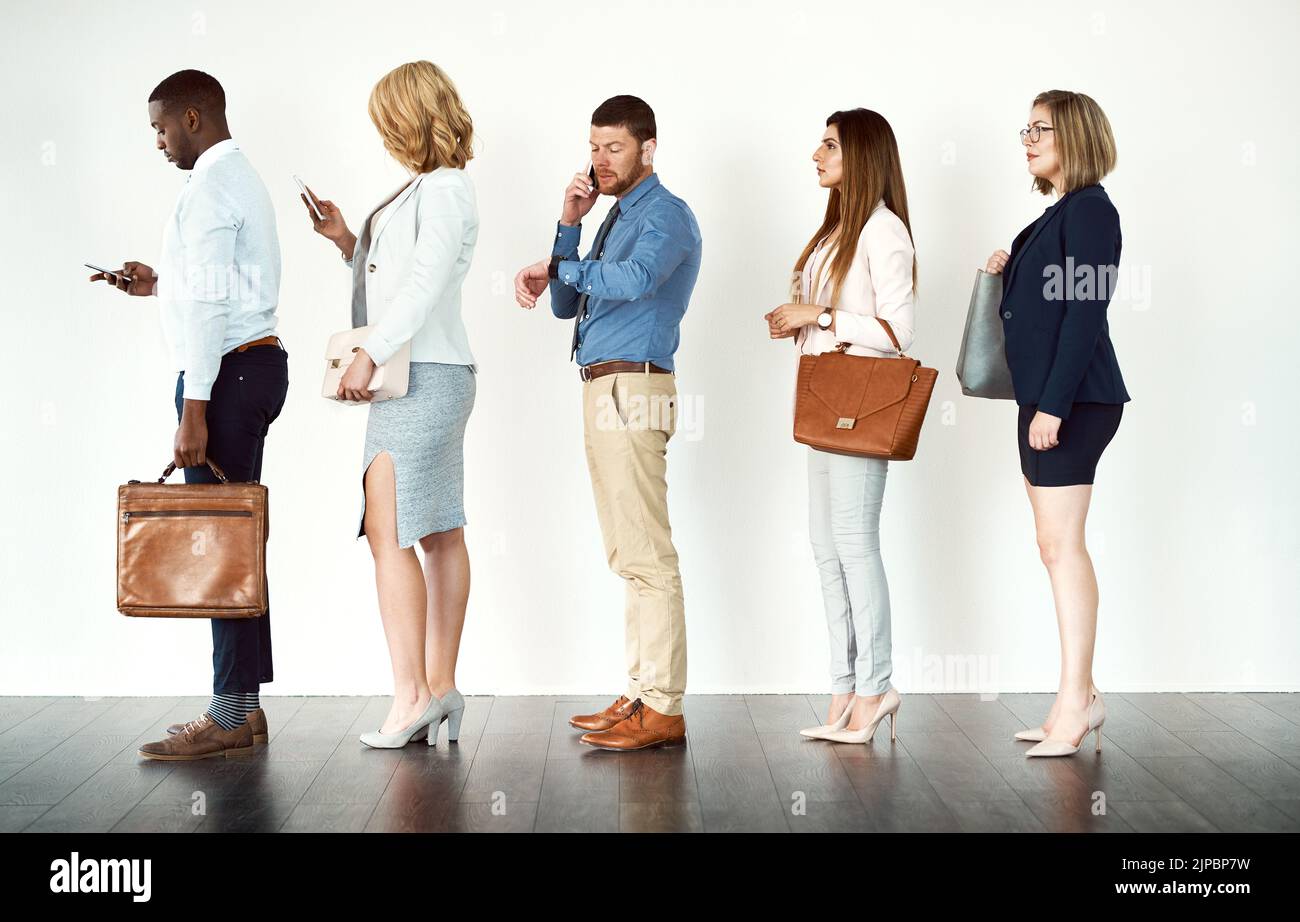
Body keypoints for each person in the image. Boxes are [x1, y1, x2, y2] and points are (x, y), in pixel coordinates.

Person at [90, 69, 288, 760]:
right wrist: (158, 284)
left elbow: (209, 310)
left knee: (216, 546)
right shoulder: (238, 180)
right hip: (250, 365)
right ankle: (244, 706)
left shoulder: (208, 189)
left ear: (194, 118)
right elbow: (214, 288)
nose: (158, 141)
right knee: (234, 541)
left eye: (161, 127)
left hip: (225, 377)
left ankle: (229, 715)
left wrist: (193, 409)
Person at [513, 95, 701, 751]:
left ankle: (664, 707)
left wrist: (563, 264)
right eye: (593, 147)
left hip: (635, 386)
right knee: (629, 554)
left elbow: (635, 278)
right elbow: (567, 303)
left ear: (648, 148)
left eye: (613, 147)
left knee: (648, 554)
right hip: (605, 387)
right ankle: (643, 690)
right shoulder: (611, 216)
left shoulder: (667, 217)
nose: (599, 160)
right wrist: (567, 227)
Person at [301, 61, 477, 748]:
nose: (384, 134)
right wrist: (348, 241)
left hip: (418, 375)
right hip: (431, 370)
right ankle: (439, 691)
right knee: (435, 532)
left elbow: (427, 279)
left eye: (388, 120)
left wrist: (371, 351)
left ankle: (410, 697)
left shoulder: (445, 188)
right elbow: (397, 274)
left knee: (389, 530)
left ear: (412, 115)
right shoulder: (426, 189)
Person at [983, 89, 1130, 757]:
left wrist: (1055, 405)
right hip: (1044, 399)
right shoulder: (1058, 214)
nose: (1028, 138)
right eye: (1027, 128)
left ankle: (1077, 703)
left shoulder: (1093, 211)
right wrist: (1009, 270)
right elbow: (1051, 299)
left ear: (1075, 135)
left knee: (1061, 546)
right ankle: (1079, 697)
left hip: (1072, 401)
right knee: (1051, 544)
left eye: (1041, 128)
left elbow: (1086, 313)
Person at [765, 109, 915, 745]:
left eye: (830, 144)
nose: (817, 154)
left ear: (863, 154)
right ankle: (844, 689)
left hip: (861, 401)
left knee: (854, 544)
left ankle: (877, 687)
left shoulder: (884, 231)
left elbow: (899, 335)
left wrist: (820, 317)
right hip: (826, 398)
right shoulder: (834, 233)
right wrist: (800, 322)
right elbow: (836, 320)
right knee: (827, 549)